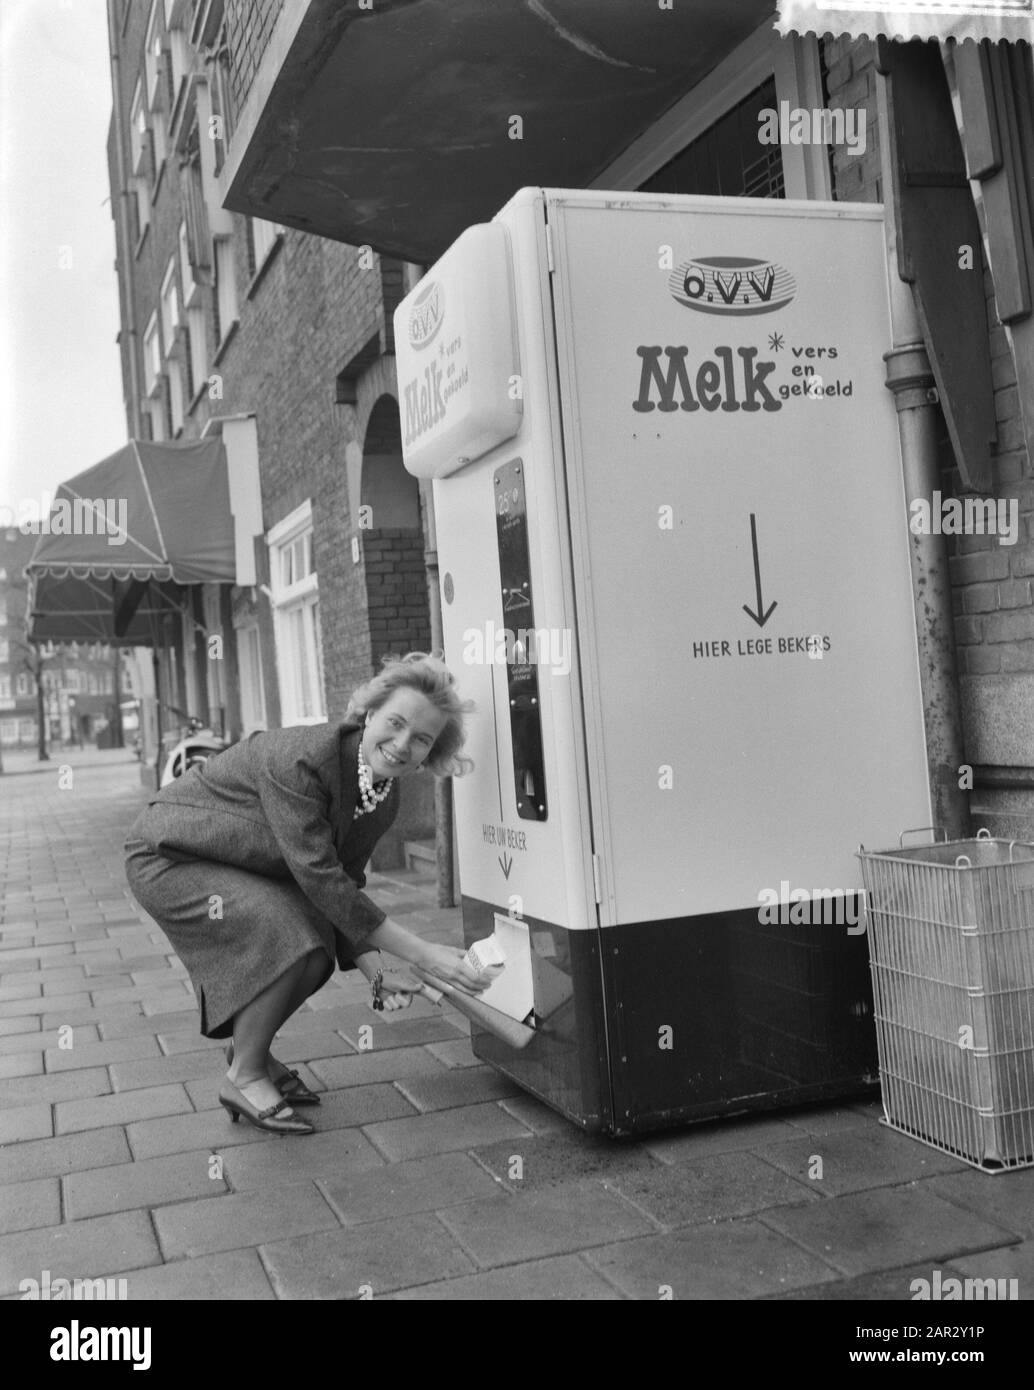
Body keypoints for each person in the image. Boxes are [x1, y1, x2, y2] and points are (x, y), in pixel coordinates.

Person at [124, 651, 490, 1136]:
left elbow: (345, 886)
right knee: (287, 934)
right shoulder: (302, 759)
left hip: (237, 860)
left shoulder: (382, 794)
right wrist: (426, 954)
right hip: (169, 855)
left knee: (313, 948)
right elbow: (319, 876)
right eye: (395, 723)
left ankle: (249, 1050)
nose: (403, 745)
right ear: (367, 714)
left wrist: (379, 974)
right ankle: (245, 1076)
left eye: (421, 738)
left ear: (433, 751)